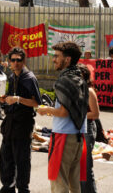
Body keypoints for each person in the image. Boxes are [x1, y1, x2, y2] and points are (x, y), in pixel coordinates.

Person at [37, 42, 88, 193]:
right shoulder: (79, 78)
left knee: (59, 183)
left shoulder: (64, 80)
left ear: (67, 59)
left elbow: (63, 112)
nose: (53, 59)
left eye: (57, 56)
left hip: (64, 137)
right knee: (74, 185)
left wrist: (46, 109)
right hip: (78, 137)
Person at [0, 48, 41, 193]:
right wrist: (5, 99)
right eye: (13, 60)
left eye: (19, 60)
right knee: (6, 156)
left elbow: (36, 103)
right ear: (9, 62)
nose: (16, 63)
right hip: (10, 122)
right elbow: (11, 96)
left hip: (23, 123)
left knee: (21, 158)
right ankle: (7, 186)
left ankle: (23, 189)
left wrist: (19, 99)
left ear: (24, 61)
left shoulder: (29, 78)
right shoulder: (11, 76)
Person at [77, 64, 99, 193]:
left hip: (87, 129)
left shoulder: (89, 91)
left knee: (85, 168)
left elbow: (95, 114)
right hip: (76, 128)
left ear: (83, 76)